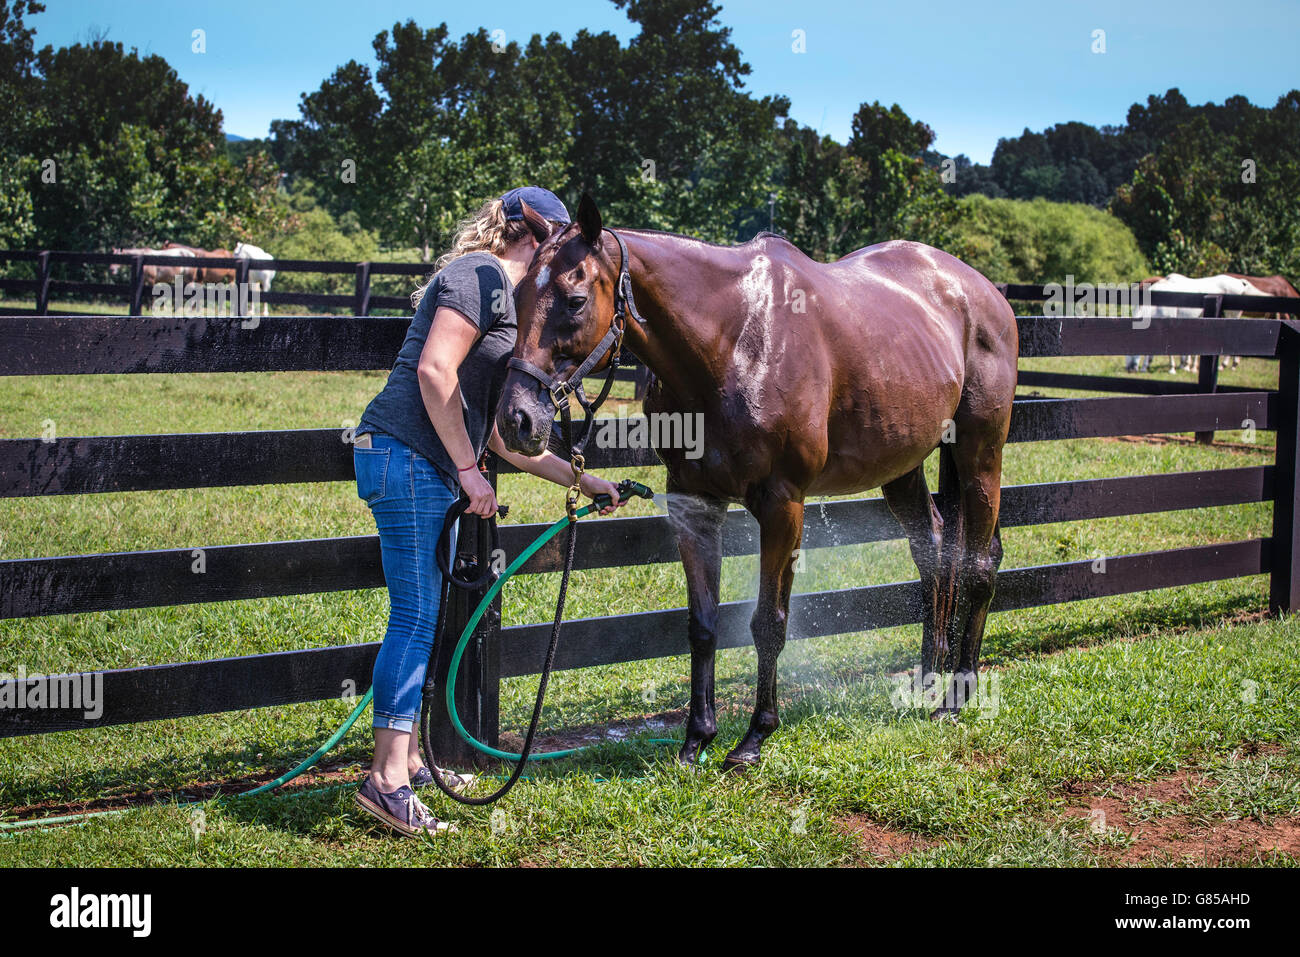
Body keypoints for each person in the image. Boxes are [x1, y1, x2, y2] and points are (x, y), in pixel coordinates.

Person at [350, 186, 624, 837]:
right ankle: (383, 782)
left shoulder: (504, 296)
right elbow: (435, 372)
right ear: (532, 235)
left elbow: (502, 437)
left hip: (427, 466)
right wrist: (470, 472)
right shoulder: (477, 275)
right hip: (407, 456)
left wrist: (583, 481)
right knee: (415, 616)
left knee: (424, 614)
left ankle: (409, 760)